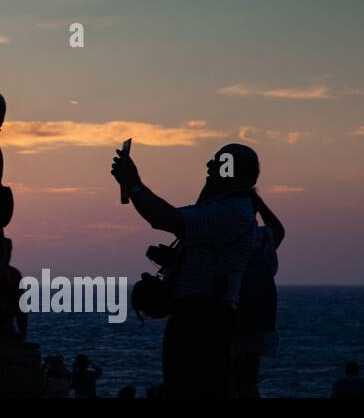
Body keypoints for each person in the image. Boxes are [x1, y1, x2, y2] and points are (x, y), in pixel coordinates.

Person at [111, 142, 259, 398]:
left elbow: (164, 218)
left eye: (220, 163)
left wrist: (134, 184)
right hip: (203, 317)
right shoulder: (229, 210)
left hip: (202, 321)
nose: (210, 166)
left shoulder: (228, 212)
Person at [231, 189, 285, 398]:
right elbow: (279, 229)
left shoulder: (229, 239)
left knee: (233, 382)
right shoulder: (262, 238)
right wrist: (257, 201)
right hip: (259, 319)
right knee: (248, 383)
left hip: (235, 318)